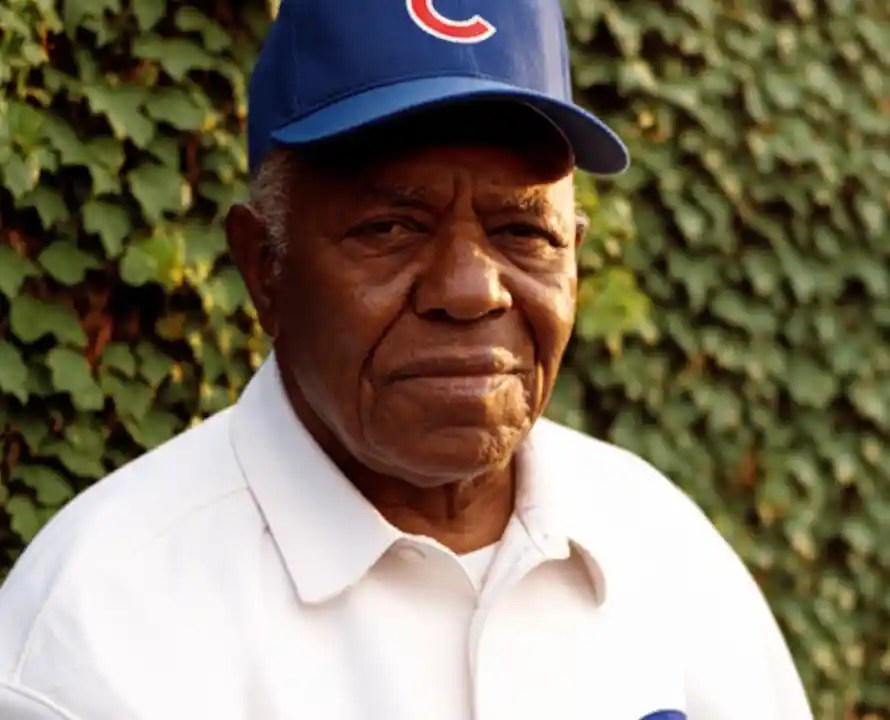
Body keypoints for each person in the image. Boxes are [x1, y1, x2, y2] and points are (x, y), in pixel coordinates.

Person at [0, 1, 812, 718]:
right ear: (265, 269)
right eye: (390, 228)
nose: (469, 290)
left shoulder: (664, 548)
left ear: (575, 257)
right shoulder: (97, 627)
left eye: (523, 231)